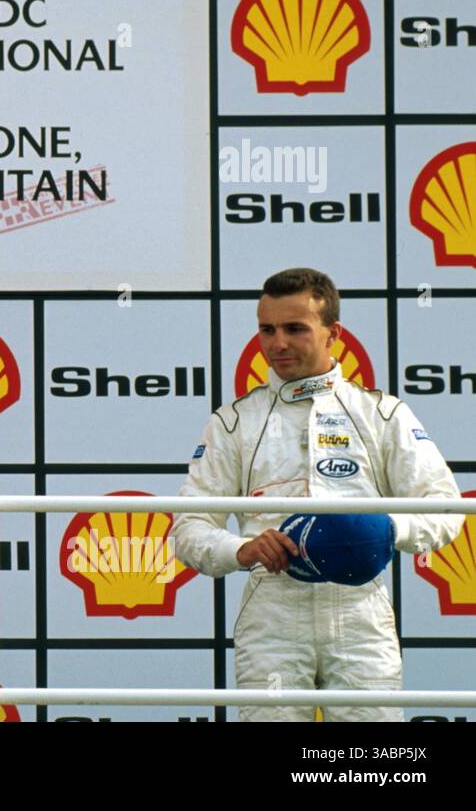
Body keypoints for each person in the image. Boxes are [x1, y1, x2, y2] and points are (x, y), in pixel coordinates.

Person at [171, 267, 464, 721]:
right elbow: (189, 527)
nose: (277, 343)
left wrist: (384, 529)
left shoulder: (382, 414)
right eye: (267, 330)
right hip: (272, 611)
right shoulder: (233, 421)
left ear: (334, 333)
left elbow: (445, 508)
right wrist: (240, 548)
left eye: (295, 329)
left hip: (360, 611)